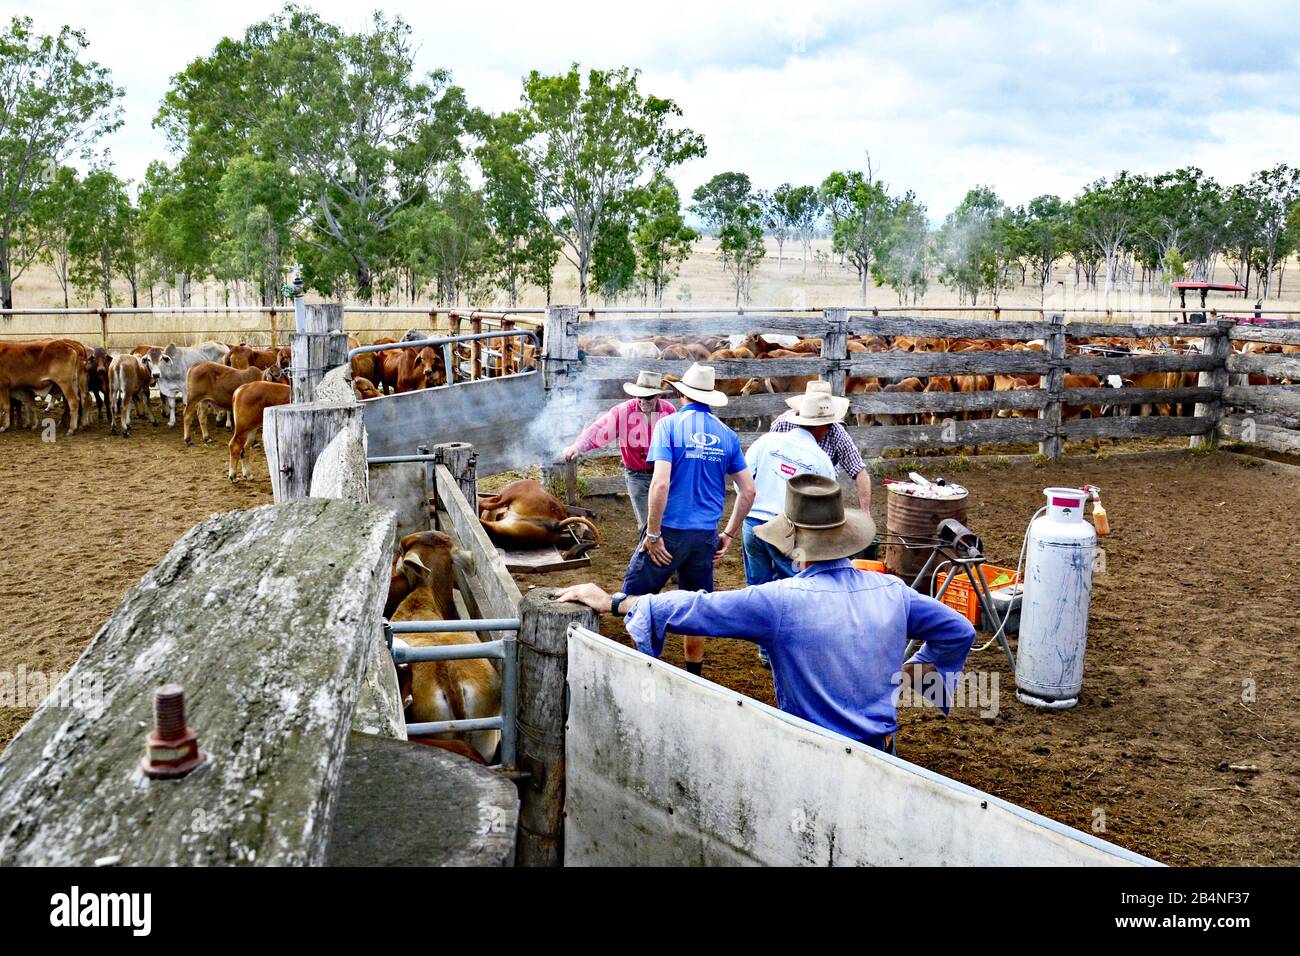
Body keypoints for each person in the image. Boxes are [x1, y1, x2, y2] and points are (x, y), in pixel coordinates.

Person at [556, 474, 976, 751]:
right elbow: (958, 630)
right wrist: (913, 675)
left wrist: (615, 601)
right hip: (882, 749)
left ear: (794, 542)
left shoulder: (780, 600)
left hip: (812, 750)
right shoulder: (893, 591)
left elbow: (700, 606)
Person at [622, 362, 756, 676]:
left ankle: (642, 667)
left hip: (668, 532)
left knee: (633, 598)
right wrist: (729, 534)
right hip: (704, 536)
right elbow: (748, 491)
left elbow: (659, 483)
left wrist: (652, 534)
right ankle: (693, 674)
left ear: (682, 394)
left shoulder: (668, 427)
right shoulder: (727, 435)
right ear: (709, 399)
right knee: (696, 607)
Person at [742, 387, 846, 668]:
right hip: (789, 530)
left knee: (759, 585)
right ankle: (790, 648)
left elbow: (744, 483)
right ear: (824, 426)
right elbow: (826, 505)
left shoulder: (766, 442)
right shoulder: (821, 460)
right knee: (795, 587)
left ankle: (764, 650)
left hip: (753, 524)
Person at [562, 371, 676, 536]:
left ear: (658, 396)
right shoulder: (623, 411)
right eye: (639, 397)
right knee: (647, 525)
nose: (643, 401)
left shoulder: (669, 411)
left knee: (668, 520)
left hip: (663, 474)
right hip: (636, 474)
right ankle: (650, 553)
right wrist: (578, 446)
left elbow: (678, 442)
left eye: (648, 397)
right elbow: (599, 429)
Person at [771, 381, 872, 509]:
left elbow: (860, 471)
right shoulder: (782, 425)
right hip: (783, 498)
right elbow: (768, 461)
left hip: (821, 501)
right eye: (823, 424)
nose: (826, 429)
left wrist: (865, 513)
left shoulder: (836, 432)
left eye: (828, 424)